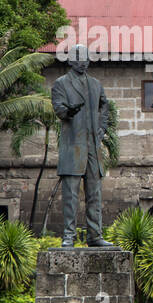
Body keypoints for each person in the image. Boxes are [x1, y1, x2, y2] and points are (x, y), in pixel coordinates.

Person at [51, 44, 114, 248]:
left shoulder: (96, 84)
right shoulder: (61, 83)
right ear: (70, 60)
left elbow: (105, 106)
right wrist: (69, 111)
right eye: (79, 58)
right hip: (73, 147)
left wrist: (102, 127)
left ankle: (95, 235)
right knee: (70, 195)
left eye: (86, 58)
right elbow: (59, 109)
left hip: (92, 147)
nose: (83, 62)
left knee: (94, 193)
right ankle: (69, 235)